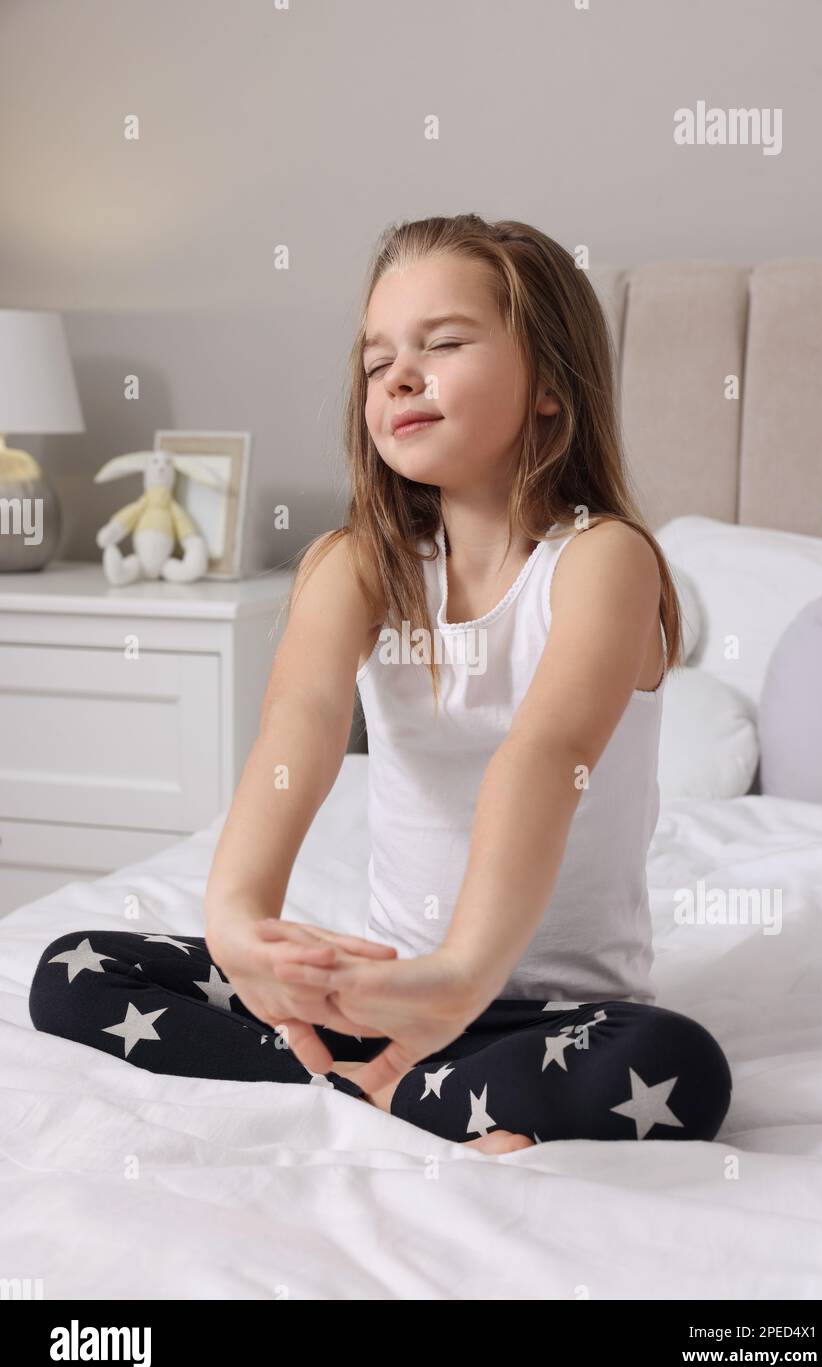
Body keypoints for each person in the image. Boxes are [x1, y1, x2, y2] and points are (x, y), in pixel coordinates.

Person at [30, 215, 732, 1153]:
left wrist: (464, 973)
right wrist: (240, 921)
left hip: (547, 1016)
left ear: (551, 389)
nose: (400, 375)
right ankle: (378, 1088)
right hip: (387, 999)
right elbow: (300, 727)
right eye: (376, 361)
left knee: (676, 1067)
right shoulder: (354, 565)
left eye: (442, 344)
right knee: (74, 967)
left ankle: (392, 1092)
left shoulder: (603, 562)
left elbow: (543, 754)